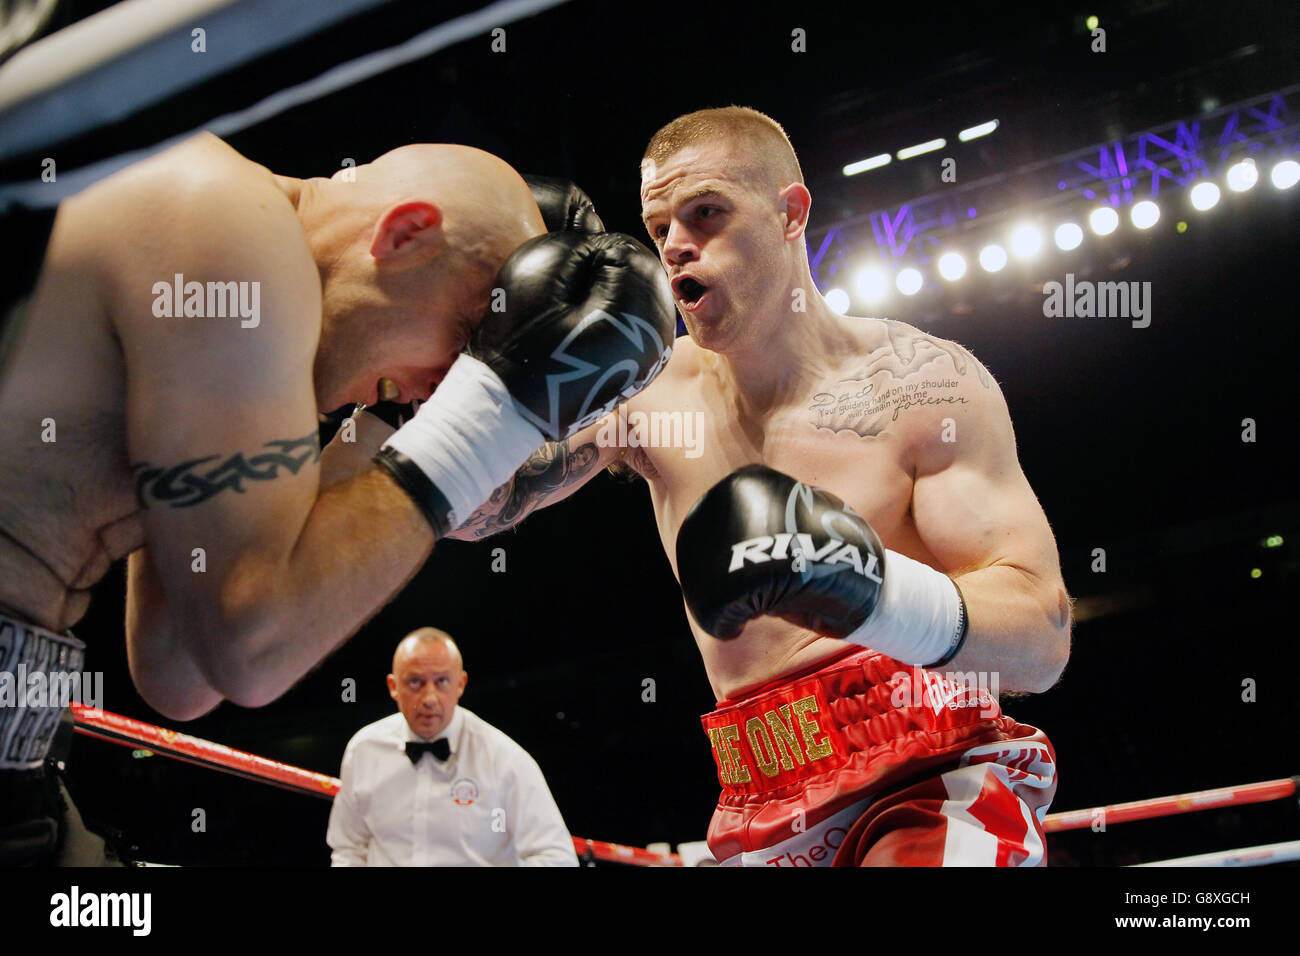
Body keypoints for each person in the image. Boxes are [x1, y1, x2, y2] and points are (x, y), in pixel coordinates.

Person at [0, 135, 674, 864]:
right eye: (460, 341)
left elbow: (177, 670)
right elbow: (249, 646)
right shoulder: (227, 226)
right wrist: (495, 413)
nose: (441, 388)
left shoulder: (239, 339)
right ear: (406, 233)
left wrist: (389, 418)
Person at [450, 107, 1070, 866]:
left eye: (705, 212)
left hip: (932, 769)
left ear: (790, 213)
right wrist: (479, 338)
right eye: (659, 228)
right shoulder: (644, 390)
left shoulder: (923, 388)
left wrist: (868, 589)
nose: (675, 244)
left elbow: (1042, 643)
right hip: (756, 794)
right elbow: (475, 510)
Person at [326, 628, 578, 866]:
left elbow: (557, 857)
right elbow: (348, 848)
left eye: (442, 681)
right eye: (415, 682)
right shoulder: (364, 750)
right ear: (393, 686)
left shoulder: (504, 759)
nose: (429, 698)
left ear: (460, 684)